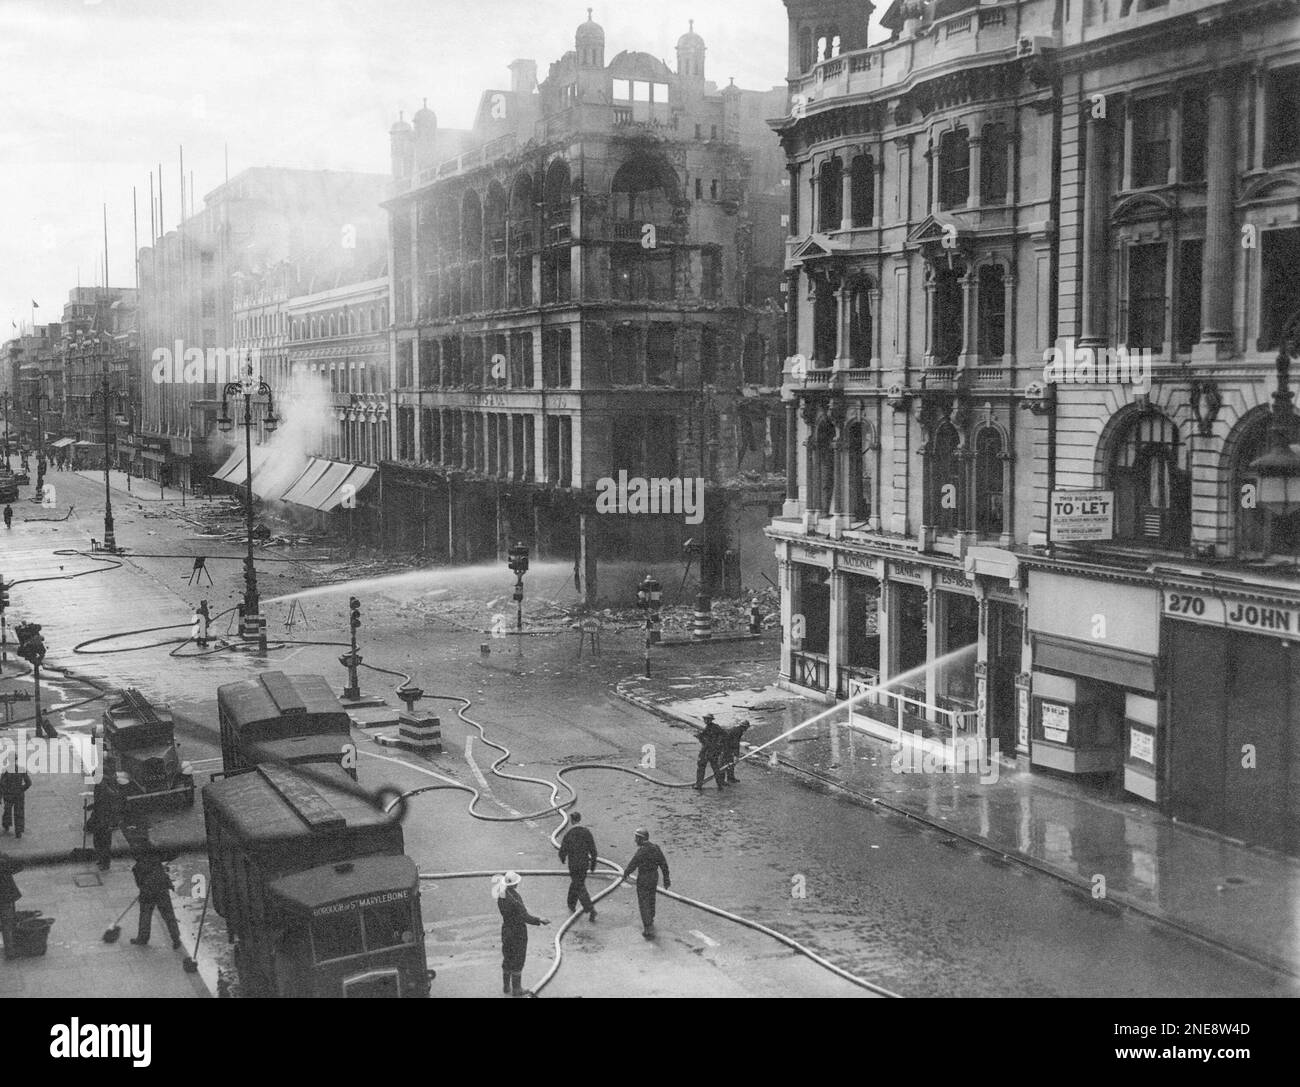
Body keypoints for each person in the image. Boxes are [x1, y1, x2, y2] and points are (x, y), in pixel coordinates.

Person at [494, 871, 548, 996]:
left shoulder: (501, 895)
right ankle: (517, 989)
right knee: (518, 959)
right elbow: (525, 916)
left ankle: (506, 986)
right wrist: (539, 920)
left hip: (506, 929)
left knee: (508, 957)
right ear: (515, 884)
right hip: (517, 932)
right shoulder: (515, 898)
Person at [130, 842, 182, 949]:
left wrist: (143, 892)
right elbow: (173, 854)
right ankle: (175, 938)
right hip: (162, 890)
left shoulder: (137, 868)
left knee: (145, 915)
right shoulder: (156, 860)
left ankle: (143, 938)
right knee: (168, 915)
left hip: (148, 893)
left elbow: (139, 883)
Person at [621, 827, 670, 939]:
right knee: (651, 898)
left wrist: (625, 874)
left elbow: (633, 863)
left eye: (636, 838)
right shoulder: (656, 848)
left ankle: (648, 928)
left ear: (640, 839)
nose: (635, 840)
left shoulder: (641, 851)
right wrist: (666, 879)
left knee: (644, 902)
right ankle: (651, 919)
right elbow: (663, 864)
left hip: (644, 878)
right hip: (653, 877)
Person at [557, 811, 599, 921]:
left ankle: (590, 909)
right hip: (584, 864)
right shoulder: (586, 832)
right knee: (577, 882)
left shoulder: (569, 833)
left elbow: (563, 850)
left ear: (572, 820)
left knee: (579, 885)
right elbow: (593, 851)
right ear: (579, 819)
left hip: (574, 864)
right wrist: (593, 864)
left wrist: (562, 858)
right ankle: (571, 903)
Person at [87, 773, 128, 871]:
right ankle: (101, 860)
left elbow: (110, 805)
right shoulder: (99, 786)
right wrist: (91, 806)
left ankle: (105, 863)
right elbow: (99, 802)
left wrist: (112, 821)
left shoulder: (106, 790)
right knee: (98, 841)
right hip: (99, 817)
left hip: (105, 820)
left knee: (103, 842)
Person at [694, 714, 727, 790]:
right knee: (714, 767)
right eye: (705, 719)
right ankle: (719, 785)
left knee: (704, 767)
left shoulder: (714, 728)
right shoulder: (711, 727)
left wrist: (717, 744)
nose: (706, 721)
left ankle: (700, 785)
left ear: (711, 720)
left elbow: (723, 735)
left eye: (707, 719)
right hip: (710, 750)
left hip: (709, 751)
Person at [0, 764, 32, 839]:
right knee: (19, 813)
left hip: (9, 795)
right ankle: (18, 831)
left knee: (7, 811)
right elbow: (29, 783)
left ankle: (6, 825)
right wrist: (21, 789)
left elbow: (1, 785)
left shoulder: (5, 770)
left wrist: (1, 795)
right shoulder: (21, 769)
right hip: (18, 795)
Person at [0, 852, 23, 958]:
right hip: (5, 896)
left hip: (6, 896)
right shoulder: (3, 861)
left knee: (7, 923)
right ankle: (10, 951)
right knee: (8, 923)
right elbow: (19, 866)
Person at [718, 720, 752, 785]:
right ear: (744, 727)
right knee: (724, 764)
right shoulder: (738, 731)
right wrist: (736, 755)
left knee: (731, 763)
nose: (746, 729)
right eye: (746, 728)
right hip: (724, 747)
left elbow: (735, 743)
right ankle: (721, 781)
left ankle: (731, 778)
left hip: (728, 747)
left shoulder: (737, 729)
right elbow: (736, 743)